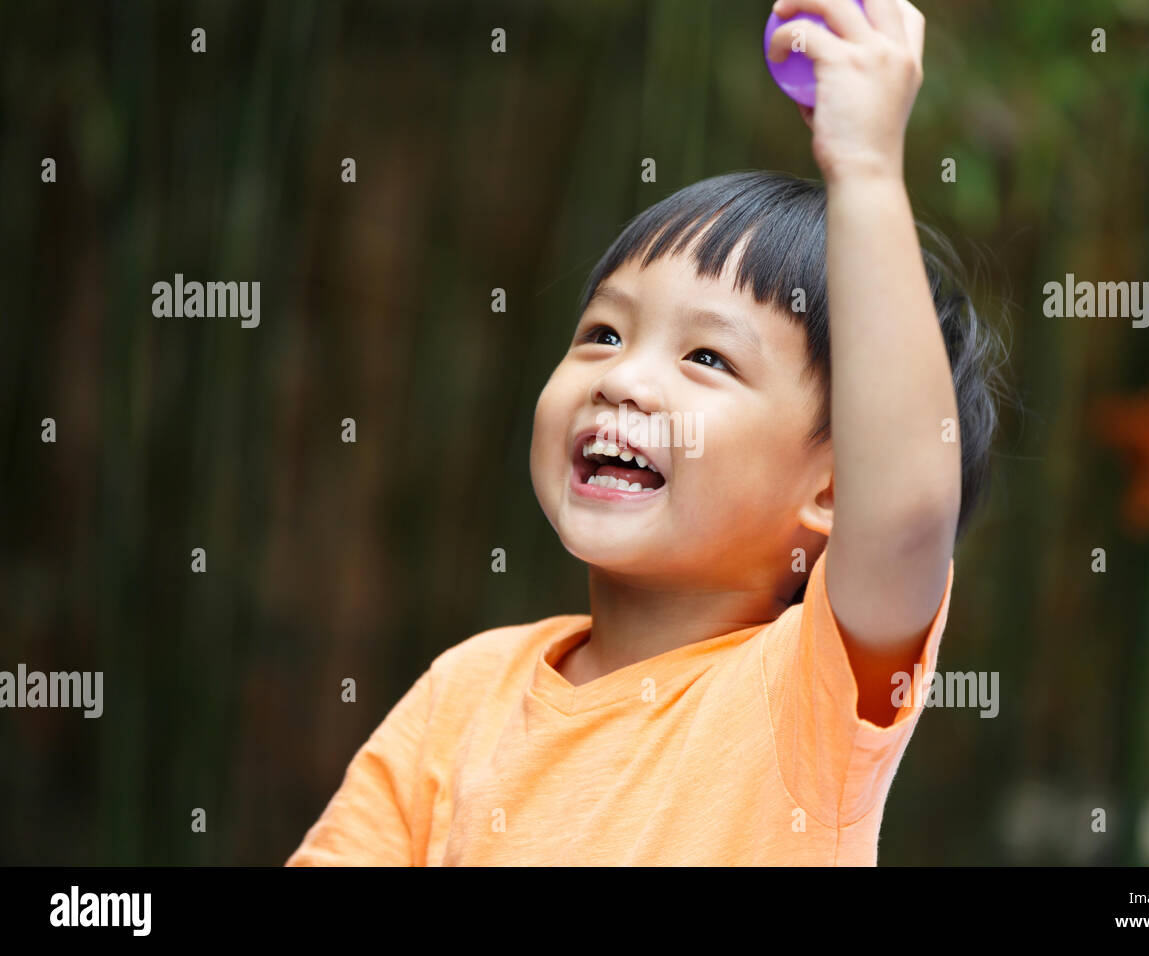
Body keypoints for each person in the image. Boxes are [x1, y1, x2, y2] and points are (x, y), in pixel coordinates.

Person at [286, 0, 1006, 866]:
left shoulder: (806, 698)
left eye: (706, 357)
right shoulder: (465, 692)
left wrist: (866, 172)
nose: (622, 379)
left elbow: (906, 514)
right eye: (602, 334)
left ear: (833, 490)